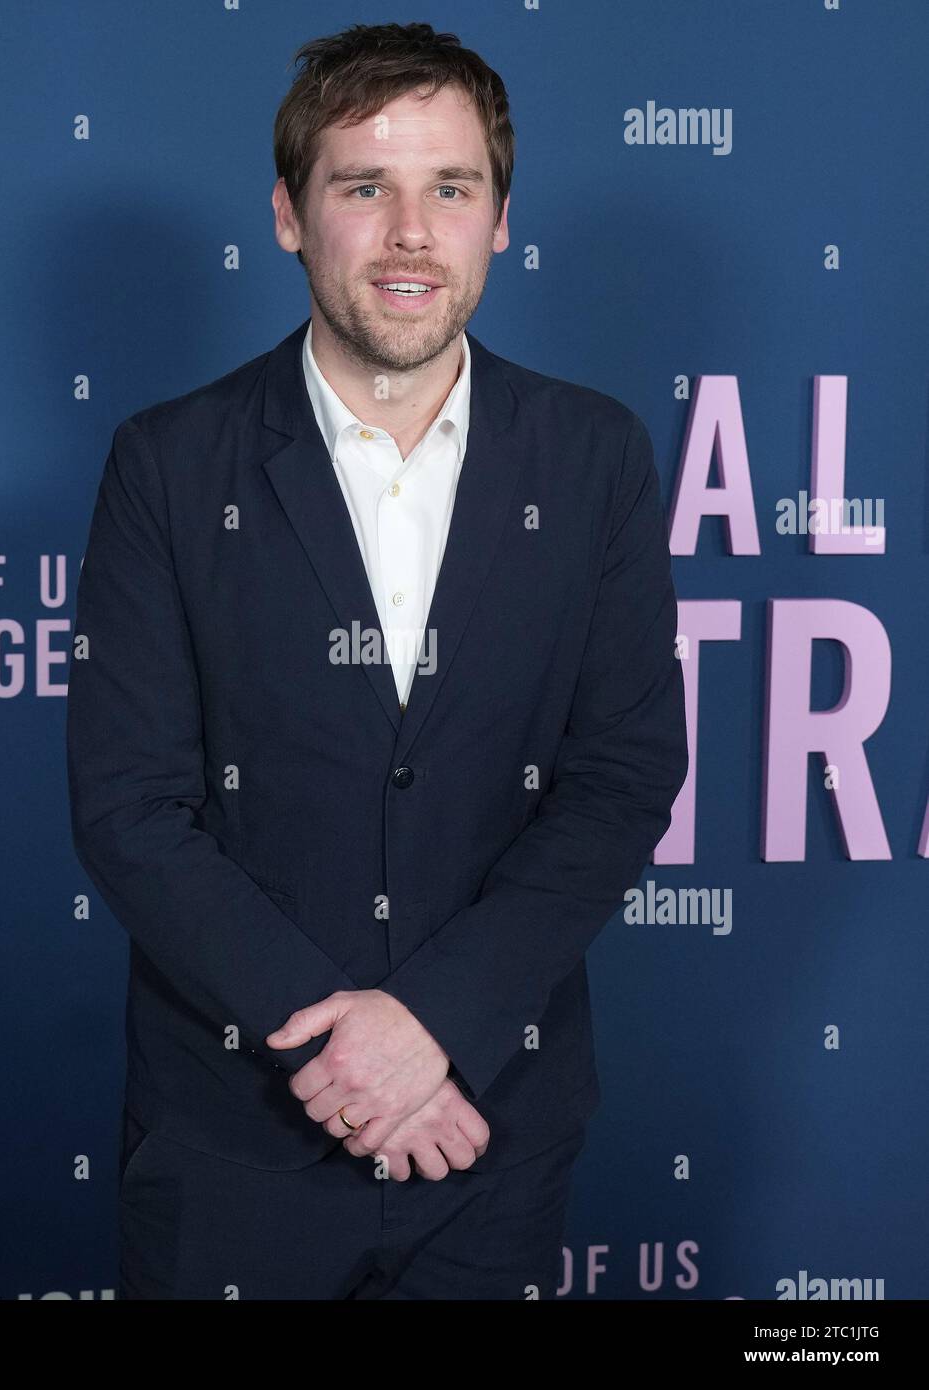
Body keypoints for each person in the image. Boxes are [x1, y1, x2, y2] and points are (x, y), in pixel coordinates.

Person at [66, 20, 689, 1300]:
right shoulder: (169, 465)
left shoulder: (592, 458)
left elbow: (623, 775)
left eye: (448, 189)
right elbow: (130, 808)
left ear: (498, 217)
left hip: (490, 1129)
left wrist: (432, 1030)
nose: (411, 234)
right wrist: (353, 1059)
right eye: (365, 187)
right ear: (291, 215)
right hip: (231, 1140)